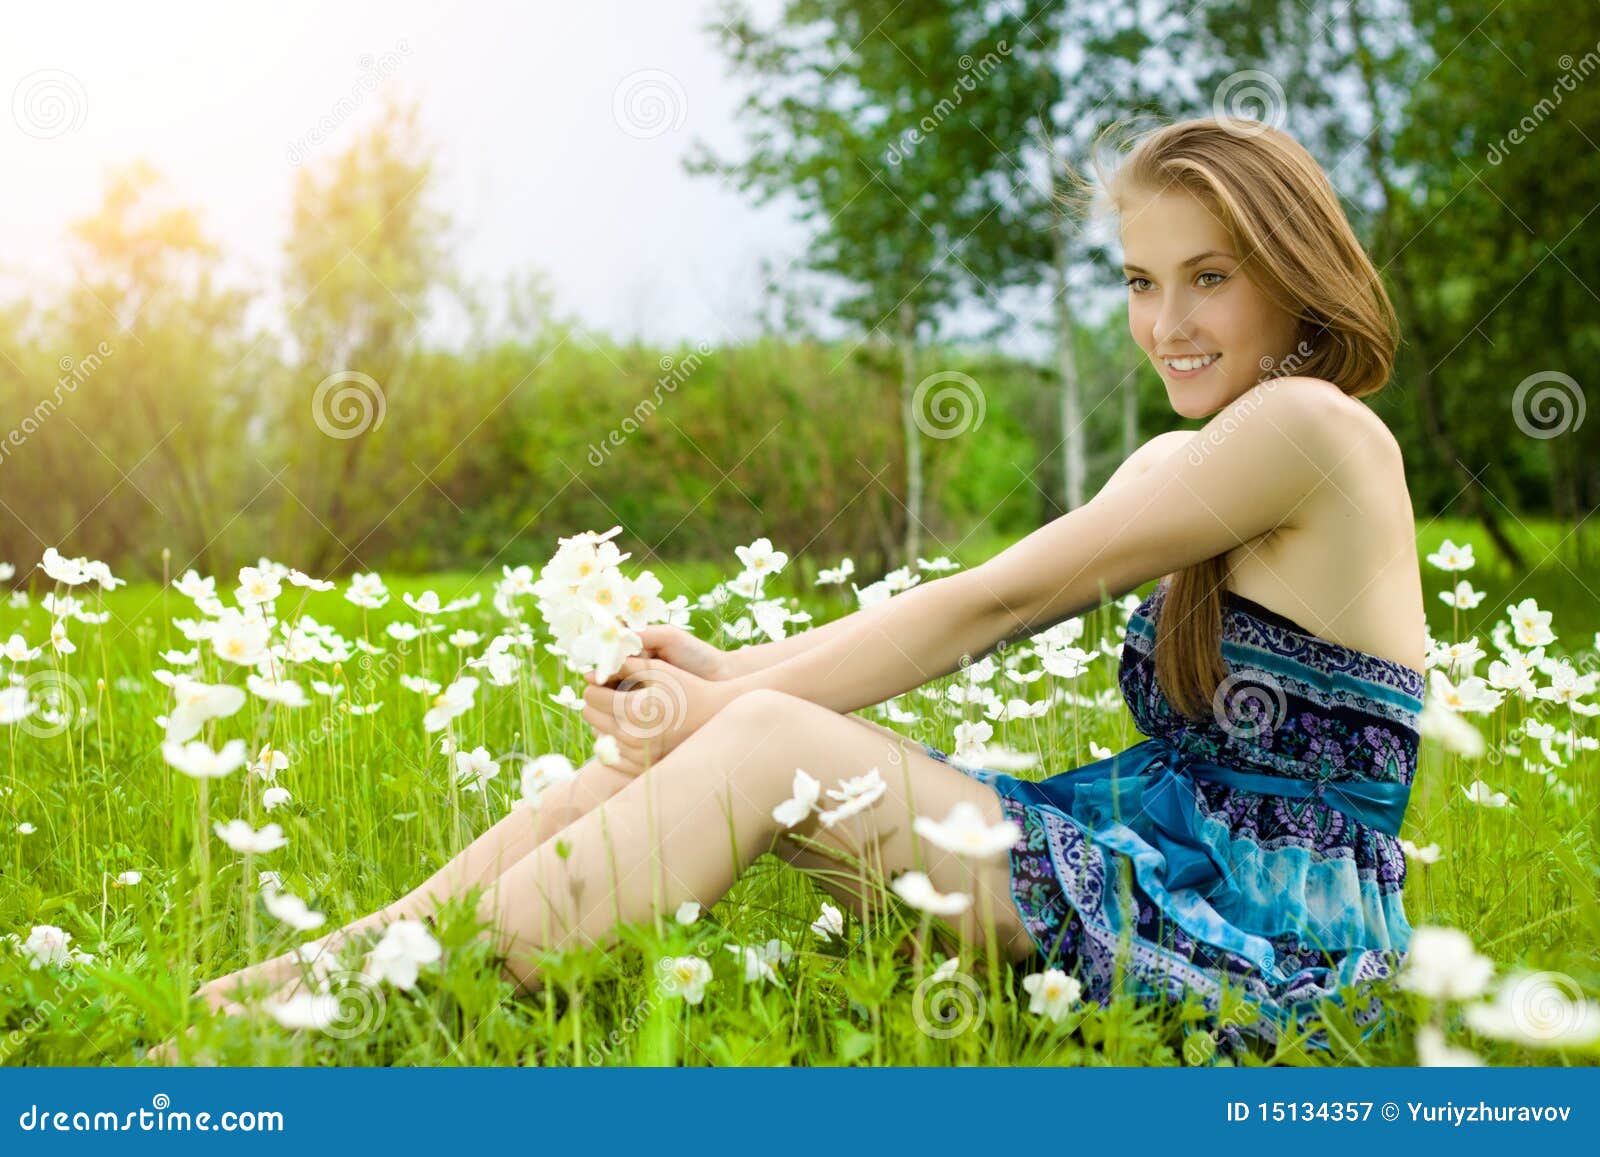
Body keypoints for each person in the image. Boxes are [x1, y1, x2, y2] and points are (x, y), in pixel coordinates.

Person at [180, 116, 1427, 1061]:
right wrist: (720, 678)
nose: (1166, 322)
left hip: (1274, 943)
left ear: (1290, 266)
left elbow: (988, 606)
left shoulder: (1311, 428)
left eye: (1209, 276)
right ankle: (325, 970)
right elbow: (969, 597)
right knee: (690, 748)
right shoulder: (1187, 455)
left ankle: (357, 1008)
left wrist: (733, 704)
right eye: (1140, 281)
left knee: (766, 743)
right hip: (1144, 860)